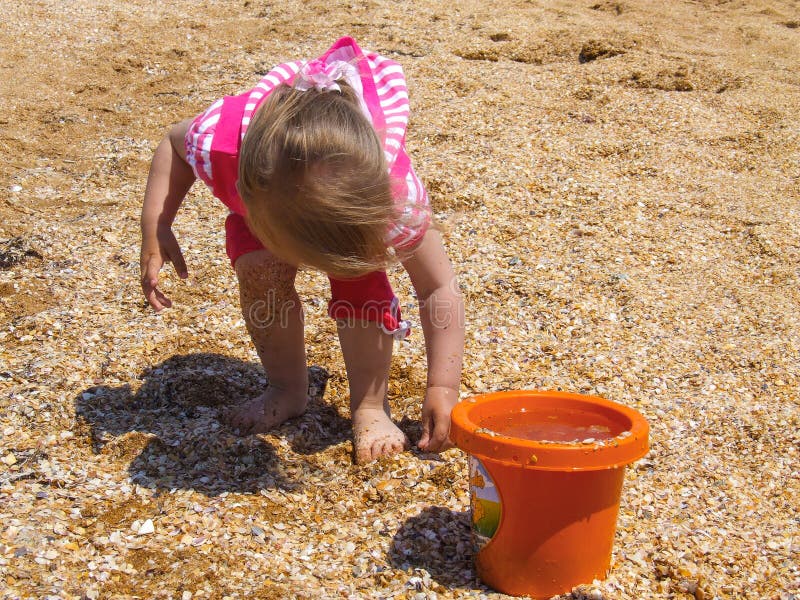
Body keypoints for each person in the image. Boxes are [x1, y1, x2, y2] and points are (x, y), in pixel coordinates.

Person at [139, 37, 464, 464]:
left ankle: (369, 404)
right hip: (268, 198)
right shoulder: (221, 144)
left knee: (360, 277)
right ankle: (286, 387)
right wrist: (157, 224)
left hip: (345, 220)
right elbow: (171, 144)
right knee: (261, 272)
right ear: (243, 192)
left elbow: (438, 288)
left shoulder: (388, 201)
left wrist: (443, 388)